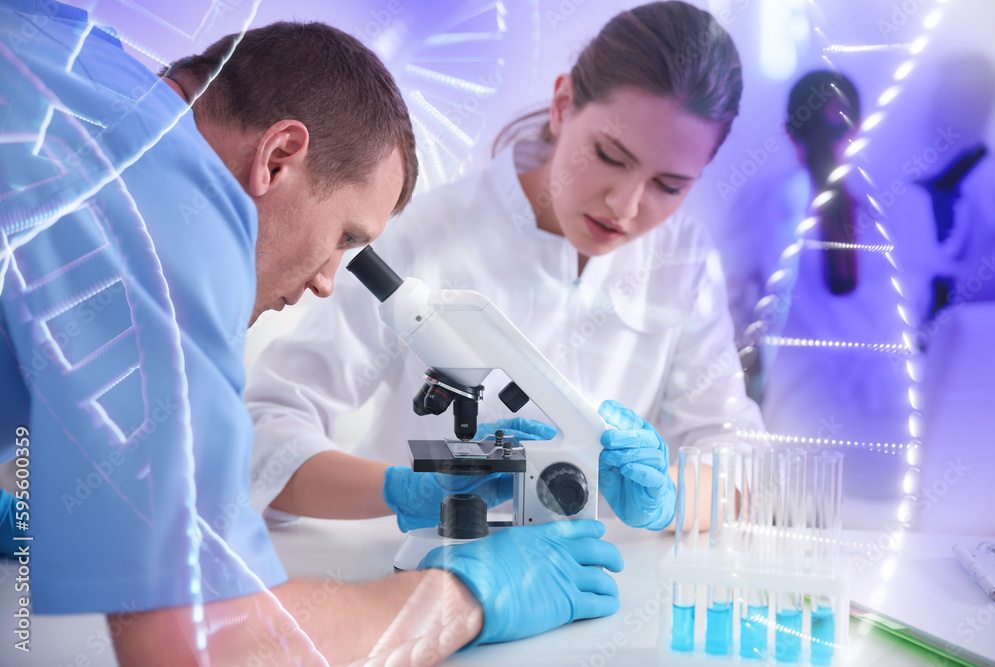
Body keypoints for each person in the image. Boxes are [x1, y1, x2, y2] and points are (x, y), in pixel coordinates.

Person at [0, 2, 623, 665]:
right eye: (345, 238)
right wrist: (462, 595)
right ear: (279, 156)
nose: (328, 280)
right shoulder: (173, 219)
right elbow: (202, 649)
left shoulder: (78, 63)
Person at [246, 0, 762, 537]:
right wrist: (410, 488)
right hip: (426, 577)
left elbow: (738, 458)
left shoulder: (684, 259)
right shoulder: (429, 232)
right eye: (610, 155)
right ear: (563, 105)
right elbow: (266, 433)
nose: (626, 206)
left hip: (598, 588)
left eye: (669, 186)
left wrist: (671, 500)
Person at [720, 71, 913, 523]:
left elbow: (725, 312)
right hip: (861, 442)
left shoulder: (765, 202)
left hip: (826, 443)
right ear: (859, 127)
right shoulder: (896, 205)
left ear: (790, 133)